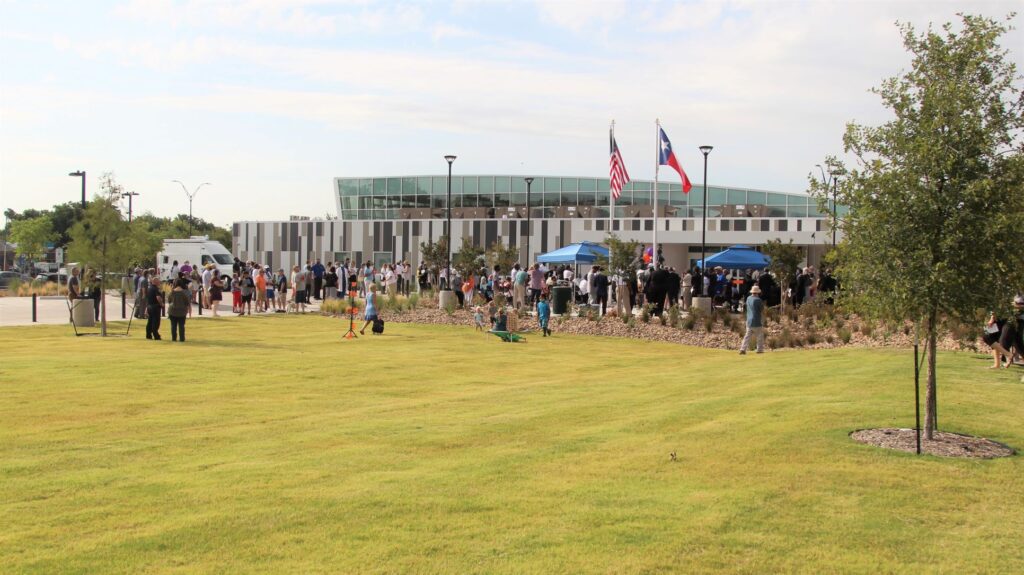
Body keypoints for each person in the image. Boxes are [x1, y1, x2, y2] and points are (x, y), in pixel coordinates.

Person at [739, 285, 765, 354]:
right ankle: (759, 350)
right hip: (756, 320)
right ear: (757, 292)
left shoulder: (748, 298)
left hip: (749, 320)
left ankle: (743, 349)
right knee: (759, 336)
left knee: (747, 336)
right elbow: (762, 309)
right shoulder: (758, 300)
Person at [145, 275, 164, 340]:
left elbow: (148, 299)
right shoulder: (155, 289)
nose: (159, 283)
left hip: (150, 306)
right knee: (156, 322)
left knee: (150, 321)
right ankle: (156, 335)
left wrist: (146, 308)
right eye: (158, 281)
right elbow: (158, 297)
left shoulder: (149, 288)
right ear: (155, 282)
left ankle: (148, 334)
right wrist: (161, 304)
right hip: (155, 307)